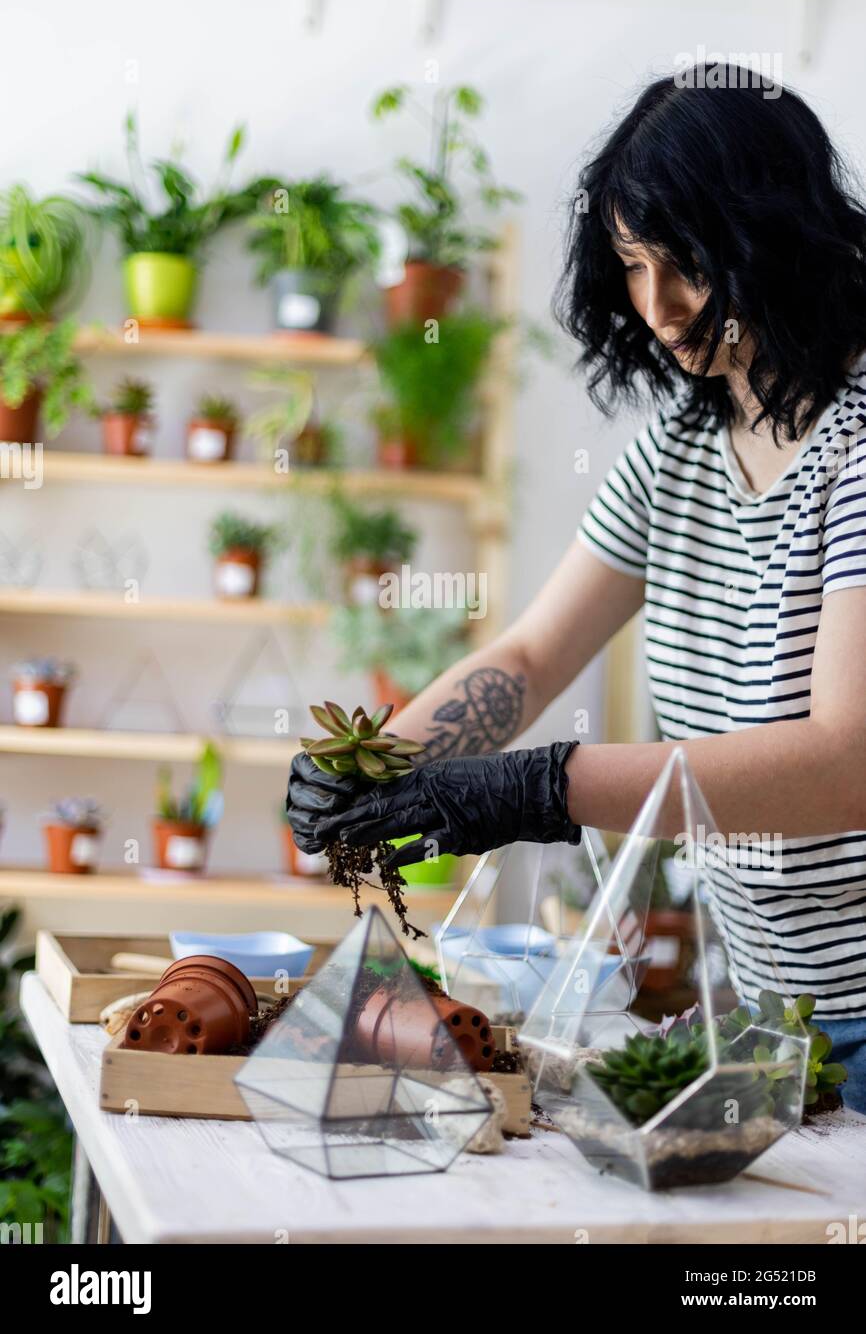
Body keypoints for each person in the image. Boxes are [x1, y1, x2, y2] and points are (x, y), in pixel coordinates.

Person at [287, 66, 866, 1109]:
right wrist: (368, 770)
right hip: (776, 1009)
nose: (656, 306)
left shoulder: (858, 444)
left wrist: (538, 787)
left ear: (770, 237)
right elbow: (529, 655)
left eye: (683, 262)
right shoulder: (678, 450)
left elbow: (841, 763)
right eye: (632, 265)